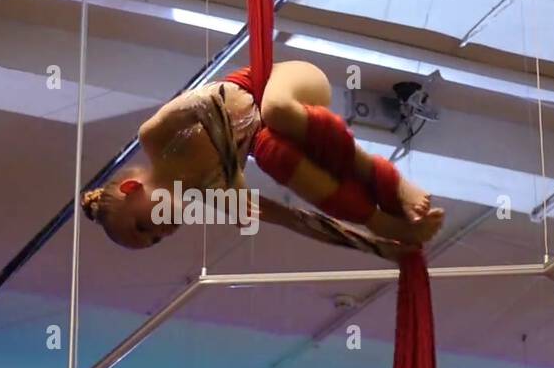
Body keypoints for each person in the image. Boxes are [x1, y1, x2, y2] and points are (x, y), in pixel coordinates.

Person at [80, 60, 444, 260]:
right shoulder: (213, 194)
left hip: (279, 81)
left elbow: (209, 105)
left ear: (132, 188)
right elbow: (294, 219)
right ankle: (380, 223)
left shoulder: (155, 137)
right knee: (275, 157)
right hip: (278, 133)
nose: (161, 231)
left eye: (144, 226)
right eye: (157, 240)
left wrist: (232, 181)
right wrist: (373, 248)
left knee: (276, 111)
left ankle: (395, 181)